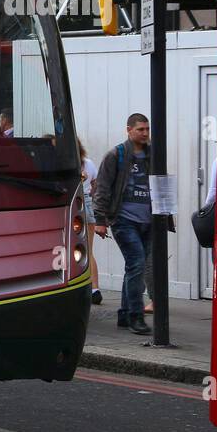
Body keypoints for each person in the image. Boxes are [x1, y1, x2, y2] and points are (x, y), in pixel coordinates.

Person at [93, 113, 153, 336]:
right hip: (124, 220)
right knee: (137, 264)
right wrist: (100, 221)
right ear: (129, 130)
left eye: (147, 129)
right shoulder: (116, 155)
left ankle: (125, 313)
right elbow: (103, 188)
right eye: (140, 129)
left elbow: (162, 183)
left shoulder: (153, 154)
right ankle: (136, 317)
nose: (145, 133)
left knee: (134, 267)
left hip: (149, 221)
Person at [78, 138, 102, 305]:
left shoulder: (67, 162)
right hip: (88, 203)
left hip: (74, 204)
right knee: (89, 251)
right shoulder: (89, 163)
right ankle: (95, 288)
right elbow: (96, 186)